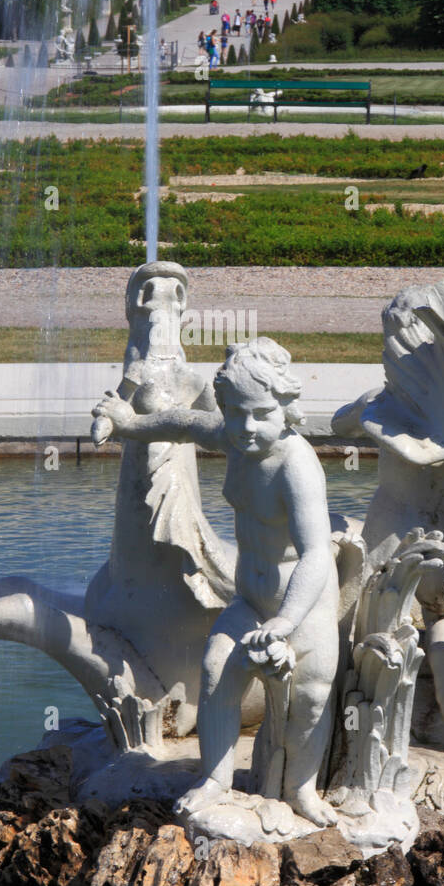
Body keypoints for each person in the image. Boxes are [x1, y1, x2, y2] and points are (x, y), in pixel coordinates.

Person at [92, 338, 340, 828]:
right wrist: (129, 424)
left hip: (304, 608)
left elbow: (316, 553)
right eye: (237, 413)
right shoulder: (234, 437)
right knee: (215, 670)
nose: (247, 427)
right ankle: (217, 780)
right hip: (250, 598)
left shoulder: (296, 465)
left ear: (286, 408)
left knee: (311, 697)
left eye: (262, 414)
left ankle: (302, 789)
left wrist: (288, 620)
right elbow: (182, 424)